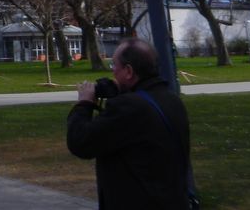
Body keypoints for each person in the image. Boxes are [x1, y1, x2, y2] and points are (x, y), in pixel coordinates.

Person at [67, 38, 191, 209]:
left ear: (129, 71)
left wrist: (84, 104)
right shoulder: (171, 100)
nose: (113, 73)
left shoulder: (129, 107)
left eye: (114, 66)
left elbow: (80, 142)